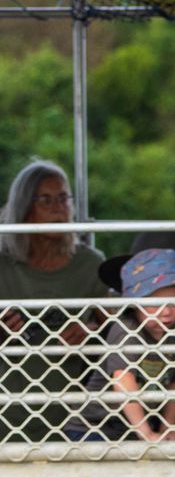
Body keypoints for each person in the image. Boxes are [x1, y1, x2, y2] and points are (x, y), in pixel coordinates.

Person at [0, 159, 107, 442]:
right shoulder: (3, 264)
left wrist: (91, 331)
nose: (58, 208)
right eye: (45, 201)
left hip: (73, 424)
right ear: (24, 209)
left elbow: (117, 334)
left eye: (63, 199)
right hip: (6, 417)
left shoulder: (90, 265)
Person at [85, 247, 175, 443]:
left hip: (132, 428)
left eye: (174, 302)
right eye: (154, 303)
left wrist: (168, 427)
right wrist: (146, 433)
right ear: (134, 303)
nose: (166, 312)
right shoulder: (125, 330)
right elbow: (123, 380)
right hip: (96, 427)